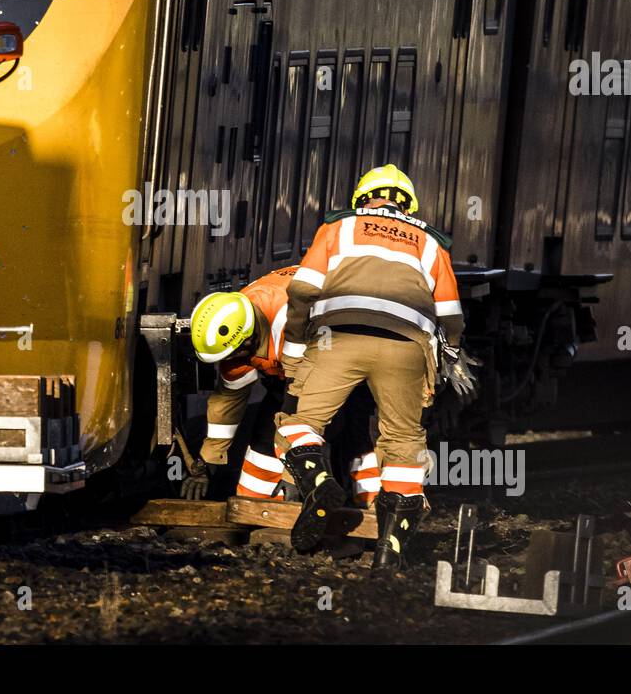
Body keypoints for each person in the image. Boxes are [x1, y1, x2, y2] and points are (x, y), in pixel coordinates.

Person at [274, 164, 478, 569]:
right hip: (406, 346)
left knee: (298, 421)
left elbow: (302, 290)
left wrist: (295, 351)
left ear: (362, 199)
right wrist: (450, 355)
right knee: (403, 443)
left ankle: (319, 484)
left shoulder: (338, 227)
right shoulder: (431, 243)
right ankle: (389, 553)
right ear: (407, 204)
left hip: (340, 337)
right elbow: (452, 316)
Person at [184, 267, 377, 505]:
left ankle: (372, 508)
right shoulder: (237, 325)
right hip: (295, 372)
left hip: (348, 358)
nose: (230, 361)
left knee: (354, 434)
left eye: (234, 354)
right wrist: (208, 462)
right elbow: (228, 401)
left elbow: (305, 405)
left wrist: (294, 473)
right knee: (265, 439)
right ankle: (256, 507)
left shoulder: (295, 322)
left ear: (249, 339)